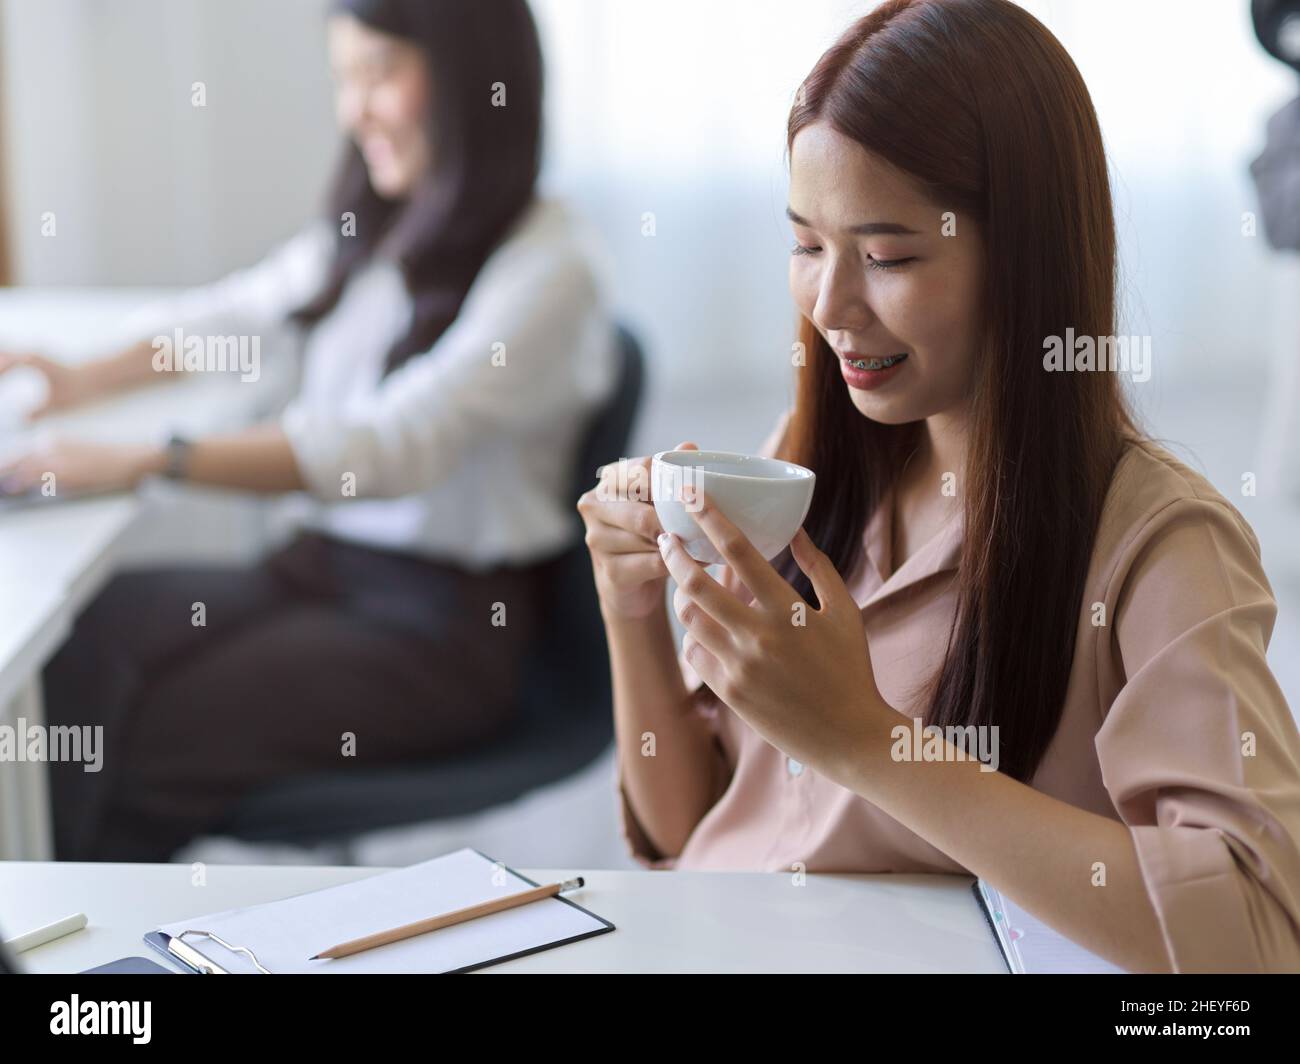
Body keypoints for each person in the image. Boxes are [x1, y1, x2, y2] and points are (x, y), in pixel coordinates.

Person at [578, 0, 1300, 973]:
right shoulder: (801, 473)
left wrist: (868, 744)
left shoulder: (1162, 545)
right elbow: (693, 835)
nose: (830, 305)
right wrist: (630, 611)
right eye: (805, 244)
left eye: (886, 256)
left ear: (1026, 258)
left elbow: (1258, 934)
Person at [0, 0, 617, 862]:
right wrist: (87, 373)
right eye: (343, 78)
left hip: (442, 627)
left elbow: (398, 443)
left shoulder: (552, 267)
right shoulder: (383, 223)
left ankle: (106, 975)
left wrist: (155, 459)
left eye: (379, 75)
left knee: (135, 746)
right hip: (320, 571)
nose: (351, 110)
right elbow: (243, 311)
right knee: (76, 655)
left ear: (479, 81)